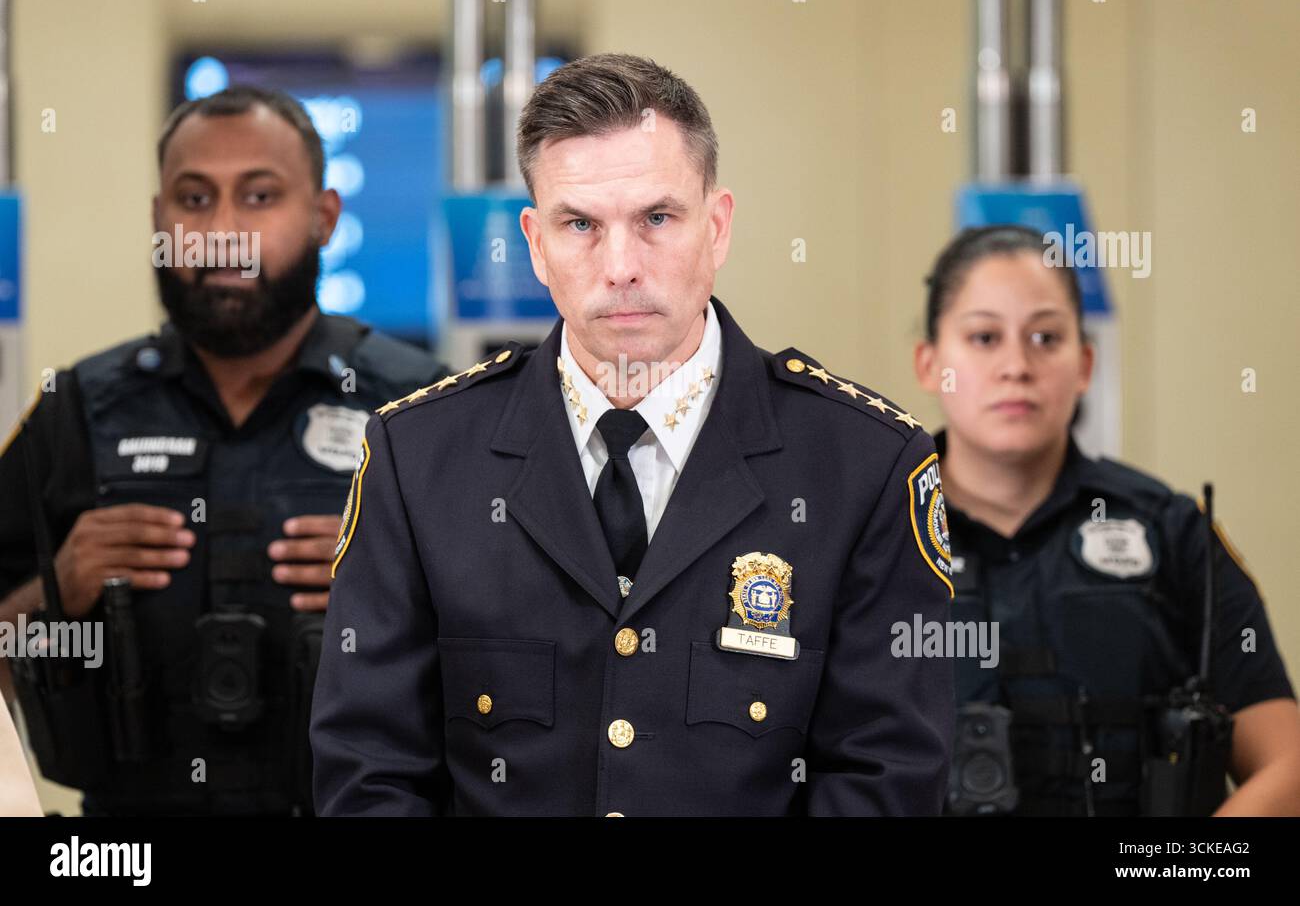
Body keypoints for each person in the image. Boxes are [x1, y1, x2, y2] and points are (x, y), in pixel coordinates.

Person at [311, 53, 956, 816]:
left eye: (656, 218)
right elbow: (369, 771)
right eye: (580, 224)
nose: (620, 266)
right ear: (535, 244)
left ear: (716, 227)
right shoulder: (417, 459)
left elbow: (887, 781)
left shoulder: (865, 466)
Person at [0, 85, 449, 815]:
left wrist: (399, 595)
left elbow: (515, 669)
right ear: (159, 220)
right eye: (195, 199)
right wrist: (57, 592)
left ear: (324, 217)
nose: (224, 232)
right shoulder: (77, 411)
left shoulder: (421, 410)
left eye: (261, 196)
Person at [913, 224, 1300, 815]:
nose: (1016, 365)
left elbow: (1286, 765)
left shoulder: (1171, 533)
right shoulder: (872, 532)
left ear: (1085, 363)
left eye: (1046, 336)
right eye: (985, 337)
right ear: (929, 362)